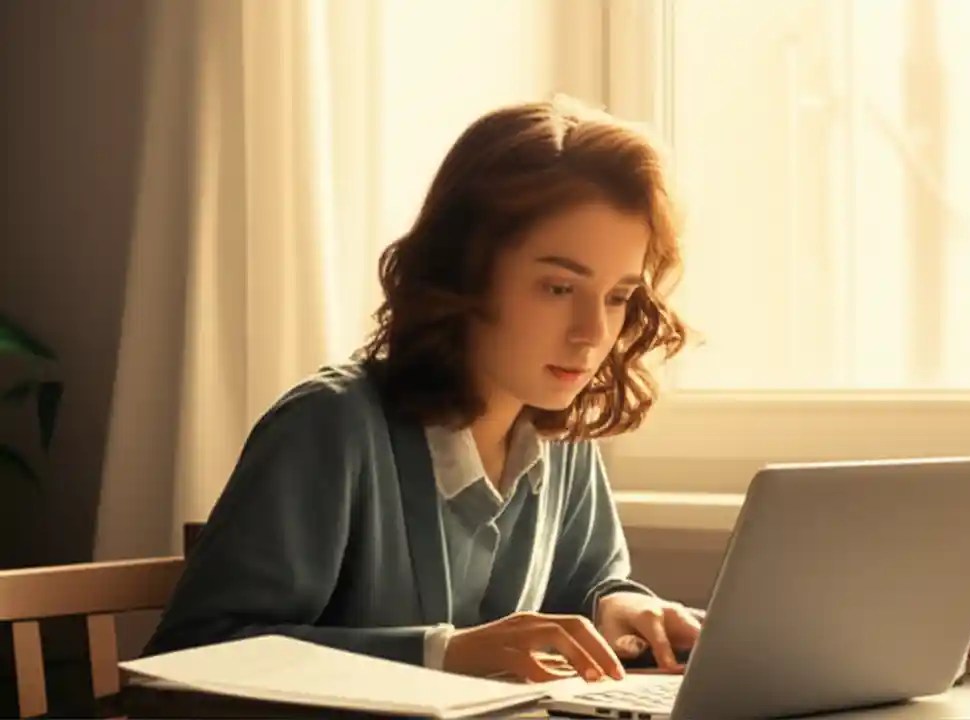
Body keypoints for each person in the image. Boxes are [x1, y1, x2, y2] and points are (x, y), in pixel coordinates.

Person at [143, 97, 702, 683]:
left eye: (617, 297)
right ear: (466, 270)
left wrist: (618, 606)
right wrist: (439, 654)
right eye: (559, 288)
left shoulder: (559, 437)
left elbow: (585, 585)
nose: (593, 334)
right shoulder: (328, 427)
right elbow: (187, 658)